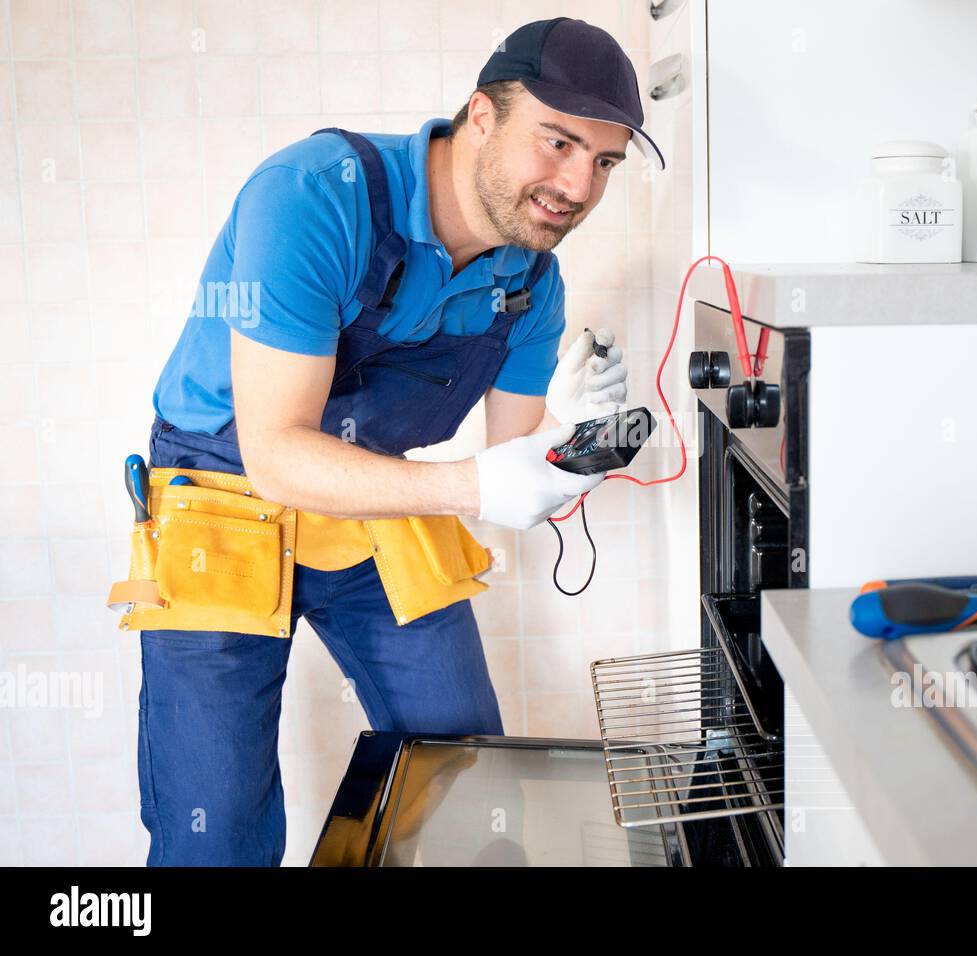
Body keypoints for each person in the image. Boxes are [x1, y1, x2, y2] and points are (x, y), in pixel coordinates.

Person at [109, 17, 664, 866]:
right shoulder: (311, 197)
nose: (578, 185)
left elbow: (515, 466)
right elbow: (278, 454)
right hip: (221, 497)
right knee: (212, 823)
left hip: (367, 489)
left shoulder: (529, 281)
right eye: (557, 143)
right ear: (481, 114)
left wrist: (568, 434)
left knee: (466, 766)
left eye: (604, 162)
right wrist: (473, 486)